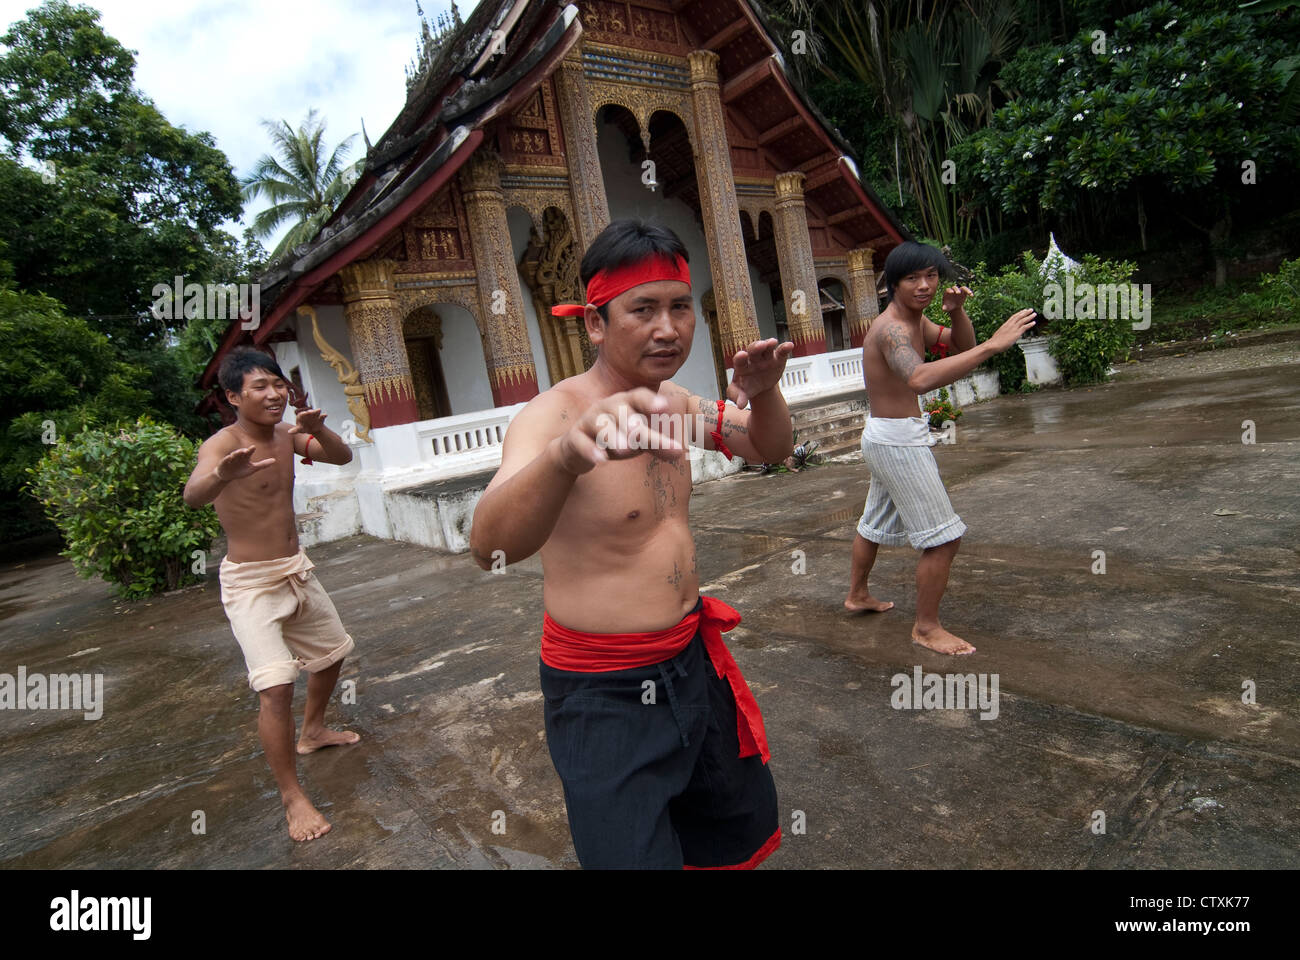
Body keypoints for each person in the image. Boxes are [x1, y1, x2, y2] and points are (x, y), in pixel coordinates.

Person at [470, 218, 794, 869]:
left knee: (724, 832)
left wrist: (764, 394)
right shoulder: (553, 417)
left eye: (679, 307)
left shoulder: (674, 401)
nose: (667, 328)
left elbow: (768, 447)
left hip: (690, 662)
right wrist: (567, 457)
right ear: (595, 322)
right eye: (641, 310)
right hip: (603, 690)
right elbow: (489, 546)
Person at [183, 346, 359, 842]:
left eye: (278, 383)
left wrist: (318, 428)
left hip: (294, 569)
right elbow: (192, 495)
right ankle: (292, 797)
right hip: (250, 583)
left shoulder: (287, 434)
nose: (273, 394)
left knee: (331, 655)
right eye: (259, 387)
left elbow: (343, 457)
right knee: (276, 685)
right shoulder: (223, 444)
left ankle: (314, 731)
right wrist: (221, 475)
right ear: (233, 396)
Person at [843, 241, 1036, 655]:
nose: (925, 285)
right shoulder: (893, 328)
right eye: (913, 278)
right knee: (944, 540)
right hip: (898, 443)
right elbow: (919, 378)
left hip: (888, 435)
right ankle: (926, 628)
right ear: (893, 284)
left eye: (931, 275)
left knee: (873, 524)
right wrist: (993, 346)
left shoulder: (915, 318)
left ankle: (857, 594)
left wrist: (956, 312)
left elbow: (959, 345)